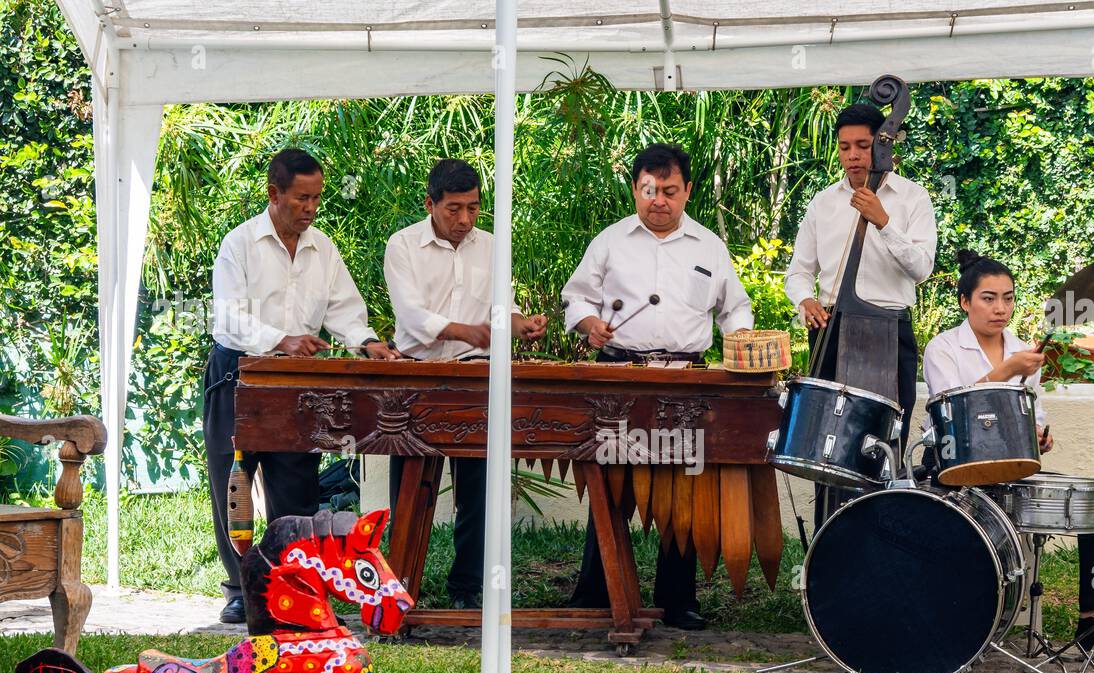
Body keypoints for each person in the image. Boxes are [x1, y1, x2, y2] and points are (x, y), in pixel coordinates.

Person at [562, 142, 754, 630]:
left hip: (685, 379)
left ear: (687, 191)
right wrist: (589, 324)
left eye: (669, 191)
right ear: (635, 188)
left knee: (681, 490)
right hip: (618, 375)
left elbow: (734, 309)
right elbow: (576, 297)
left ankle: (676, 600)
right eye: (649, 190)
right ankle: (597, 592)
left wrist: (742, 346)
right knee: (611, 486)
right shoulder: (610, 241)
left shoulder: (708, 246)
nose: (659, 201)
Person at [205, 148, 400, 626]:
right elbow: (228, 318)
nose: (311, 208)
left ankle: (294, 580)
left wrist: (367, 342)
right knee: (234, 484)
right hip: (239, 370)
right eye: (301, 198)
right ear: (274, 195)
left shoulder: (323, 249)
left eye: (316, 198)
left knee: (297, 483)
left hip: (296, 382)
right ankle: (240, 587)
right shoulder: (240, 244)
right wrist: (280, 339)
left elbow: (344, 309)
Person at [922, 250, 1094, 652]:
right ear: (965, 302)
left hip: (1009, 468)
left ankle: (1093, 623)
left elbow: (1033, 414)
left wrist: (1040, 435)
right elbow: (953, 411)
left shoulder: (1023, 350)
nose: (1000, 308)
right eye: (988, 298)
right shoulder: (943, 349)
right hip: (952, 468)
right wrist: (1008, 371)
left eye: (1007, 298)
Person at [384, 158, 547, 608]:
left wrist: (520, 324)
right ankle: (400, 585)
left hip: (478, 375)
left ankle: (468, 588)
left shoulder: (493, 246)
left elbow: (500, 309)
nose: (465, 220)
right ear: (430, 203)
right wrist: (465, 330)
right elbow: (412, 316)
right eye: (454, 209)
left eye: (473, 208)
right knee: (410, 492)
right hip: (417, 377)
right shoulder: (402, 246)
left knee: (477, 488)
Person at [785, 102, 937, 529]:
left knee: (888, 442)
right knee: (827, 447)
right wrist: (805, 302)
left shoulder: (912, 198)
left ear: (885, 145)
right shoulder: (823, 202)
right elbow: (799, 272)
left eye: (864, 145)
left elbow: (922, 268)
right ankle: (826, 540)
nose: (854, 156)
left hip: (890, 330)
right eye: (845, 146)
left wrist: (883, 221)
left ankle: (880, 539)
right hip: (831, 330)